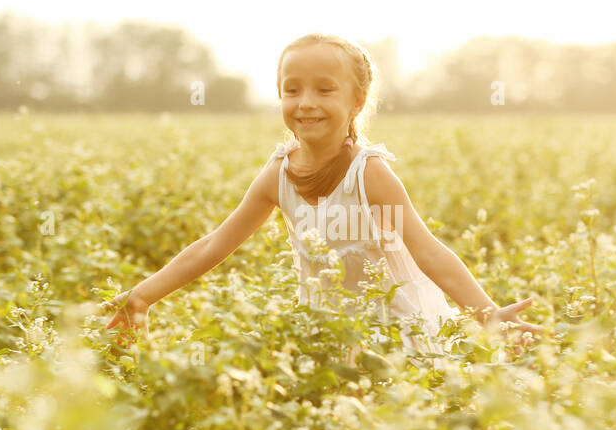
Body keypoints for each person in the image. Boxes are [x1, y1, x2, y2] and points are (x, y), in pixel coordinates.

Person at [104, 32, 542, 357]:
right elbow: (213, 245)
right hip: (324, 336)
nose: (306, 102)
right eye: (292, 90)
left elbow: (428, 252)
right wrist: (141, 295)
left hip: (398, 338)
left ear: (357, 101)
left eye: (325, 89)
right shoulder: (278, 172)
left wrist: (487, 313)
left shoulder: (369, 173)